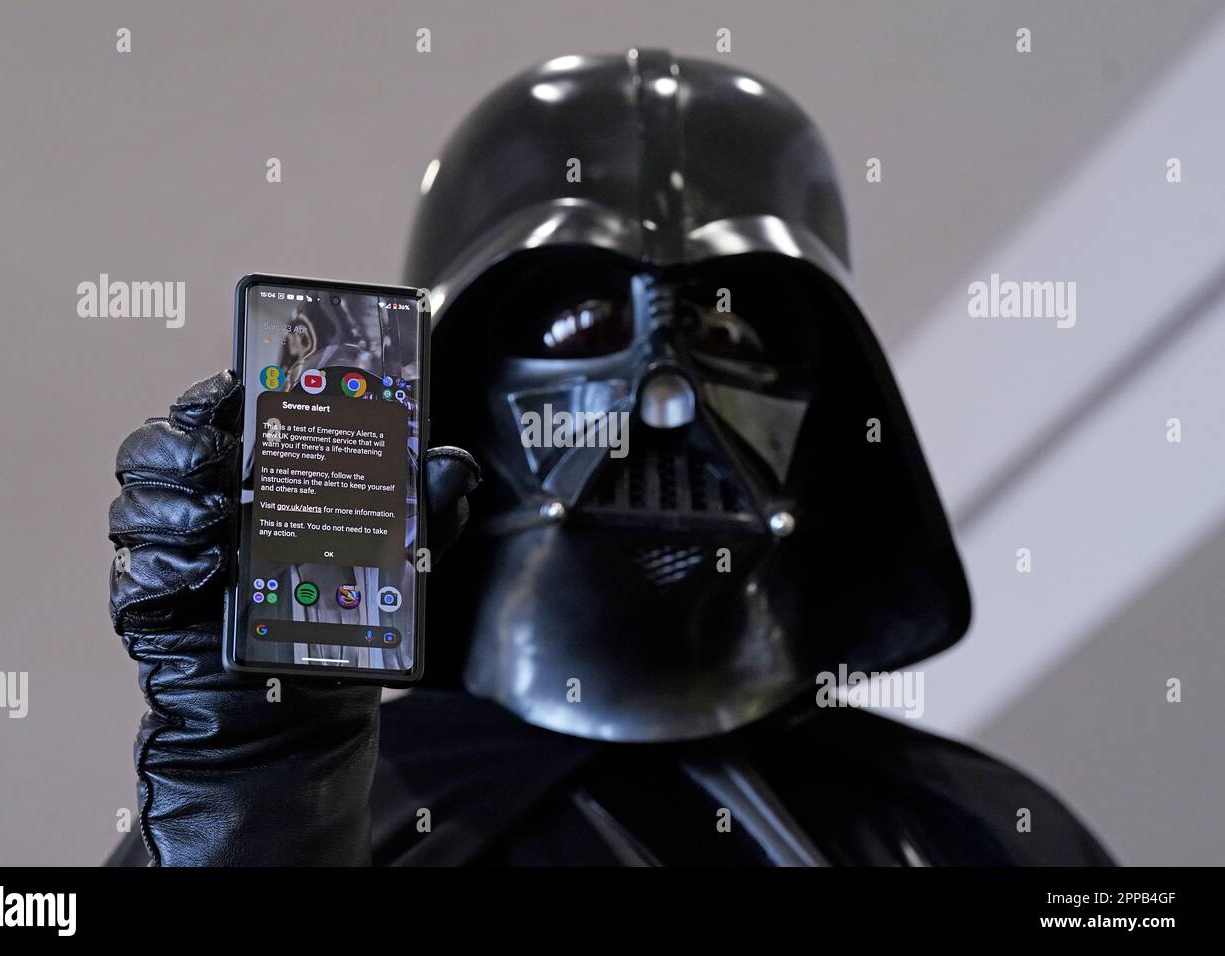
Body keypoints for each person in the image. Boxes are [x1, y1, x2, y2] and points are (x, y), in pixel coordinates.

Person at [107, 50, 1112, 866]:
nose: (667, 391)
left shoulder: (979, 834)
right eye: (582, 319)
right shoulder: (329, 808)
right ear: (461, 375)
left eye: (732, 328)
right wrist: (250, 783)